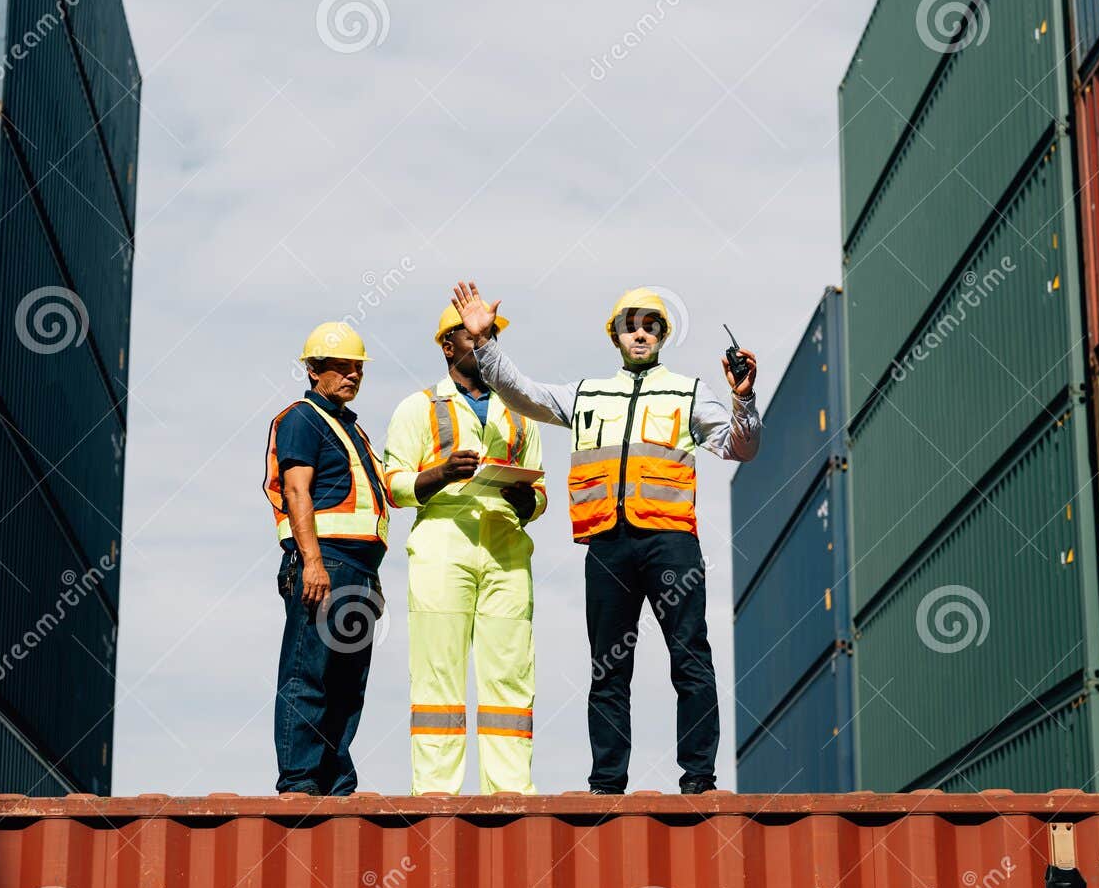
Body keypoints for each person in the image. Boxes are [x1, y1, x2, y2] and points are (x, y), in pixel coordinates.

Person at [450, 282, 760, 795]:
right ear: (614, 335)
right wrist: (485, 343)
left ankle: (699, 781)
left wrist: (743, 398)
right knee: (608, 669)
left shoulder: (687, 392)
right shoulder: (587, 394)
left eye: (651, 325)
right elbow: (520, 392)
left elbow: (740, 448)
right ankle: (607, 784)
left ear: (663, 335)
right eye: (630, 325)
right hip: (608, 548)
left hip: (670, 544)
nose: (640, 333)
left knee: (690, 659)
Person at [382, 306, 547, 795]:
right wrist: (438, 475)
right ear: (447, 345)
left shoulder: (521, 410)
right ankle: (436, 794)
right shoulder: (417, 407)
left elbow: (540, 492)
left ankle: (511, 793)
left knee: (511, 672)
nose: (484, 339)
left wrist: (528, 500)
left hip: (506, 543)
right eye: (473, 334)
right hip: (442, 538)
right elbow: (394, 485)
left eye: (490, 334)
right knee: (437, 670)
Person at [262, 322, 390, 797]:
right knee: (308, 673)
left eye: (357, 367)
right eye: (341, 366)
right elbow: (297, 489)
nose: (352, 374)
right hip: (326, 563)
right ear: (314, 370)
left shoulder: (351, 428)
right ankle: (299, 782)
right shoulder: (301, 417)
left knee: (346, 684)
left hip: (360, 571)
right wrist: (311, 561)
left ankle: (335, 783)